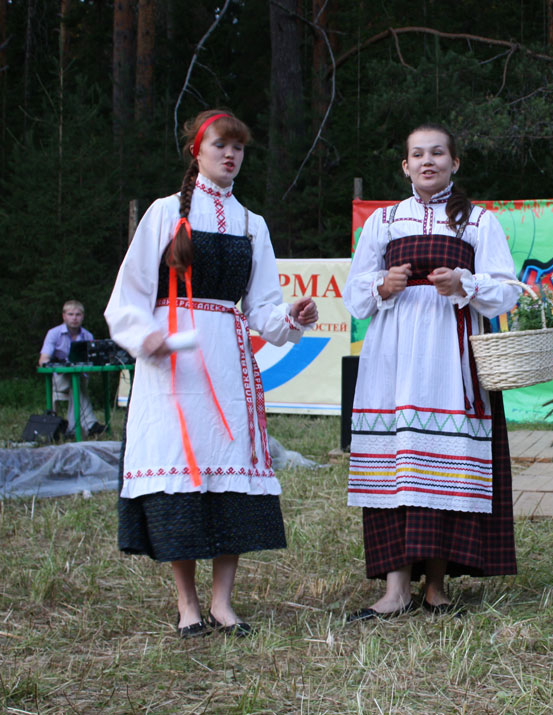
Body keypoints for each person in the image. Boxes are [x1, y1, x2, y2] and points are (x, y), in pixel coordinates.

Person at [105, 110, 318, 638]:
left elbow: (263, 308)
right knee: (181, 474)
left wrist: (291, 318)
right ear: (197, 151)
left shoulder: (253, 224)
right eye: (221, 145)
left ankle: (223, 602)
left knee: (228, 478)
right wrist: (144, 335)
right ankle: (187, 605)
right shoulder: (161, 214)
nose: (231, 155)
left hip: (227, 361)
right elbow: (126, 295)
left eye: (239, 148)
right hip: (171, 364)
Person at [342, 123, 521, 621]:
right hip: (393, 358)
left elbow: (506, 288)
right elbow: (354, 294)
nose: (428, 161)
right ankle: (395, 589)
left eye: (437, 153)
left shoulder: (479, 222)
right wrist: (382, 286)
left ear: (454, 162)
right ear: (405, 166)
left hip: (450, 356)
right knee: (396, 466)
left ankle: (437, 587)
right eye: (417, 154)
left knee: (445, 464)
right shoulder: (384, 221)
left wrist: (465, 282)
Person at [39, 300, 106, 436]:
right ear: (64, 316)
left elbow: (92, 363)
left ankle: (72, 430)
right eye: (71, 314)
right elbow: (43, 360)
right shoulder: (53, 333)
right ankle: (91, 423)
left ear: (83, 316)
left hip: (81, 378)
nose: (74, 318)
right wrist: (56, 364)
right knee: (74, 379)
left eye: (78, 314)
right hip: (60, 380)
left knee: (78, 381)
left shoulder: (88, 336)